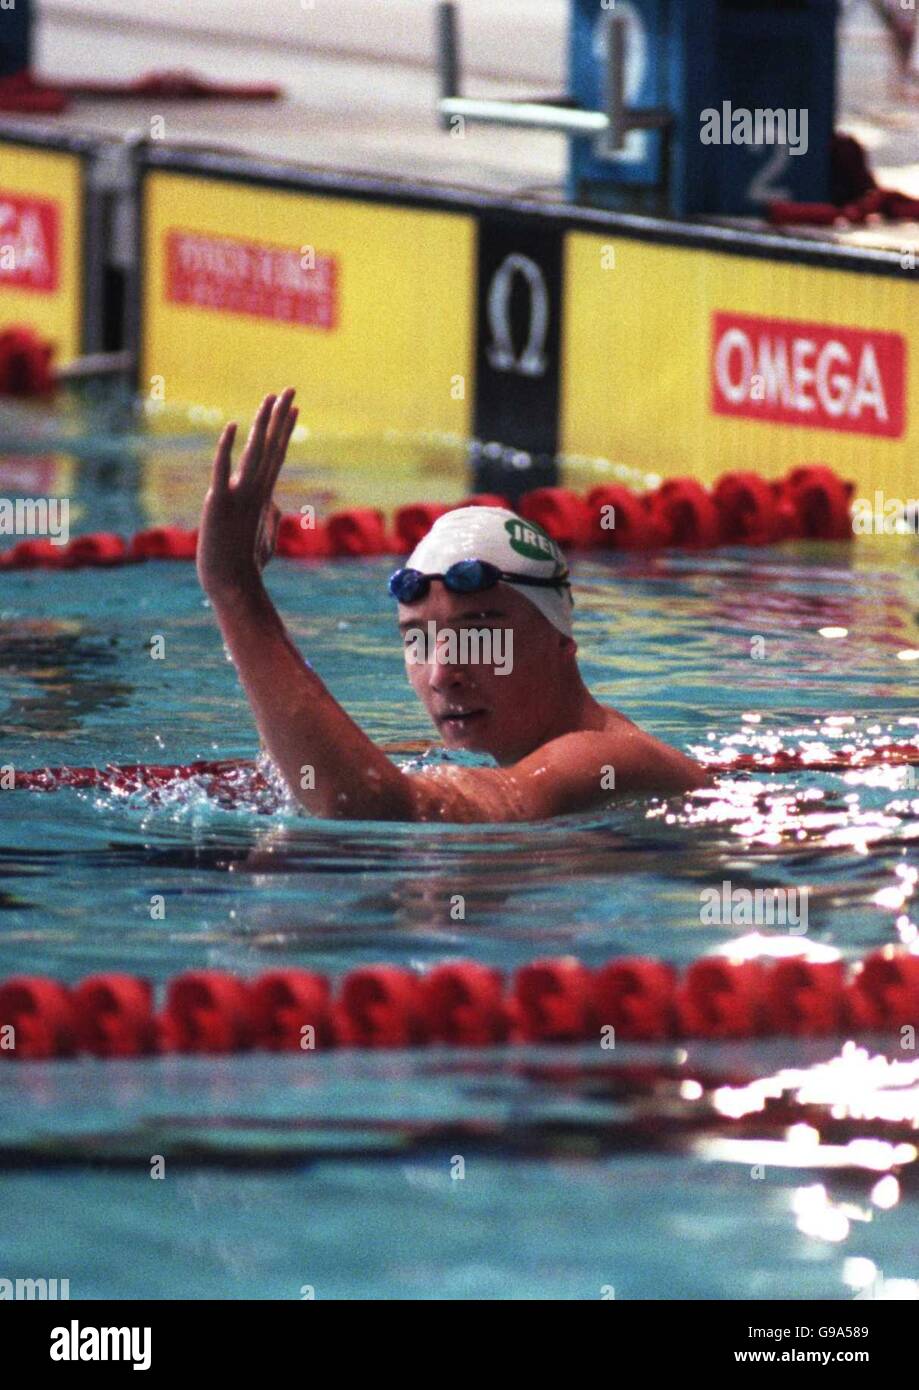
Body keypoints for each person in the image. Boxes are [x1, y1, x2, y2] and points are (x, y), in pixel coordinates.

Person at [196, 389, 710, 822]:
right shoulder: (503, 748)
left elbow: (368, 804)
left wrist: (235, 590)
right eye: (417, 639)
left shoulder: (604, 758)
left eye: (479, 634)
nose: (443, 673)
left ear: (561, 641)